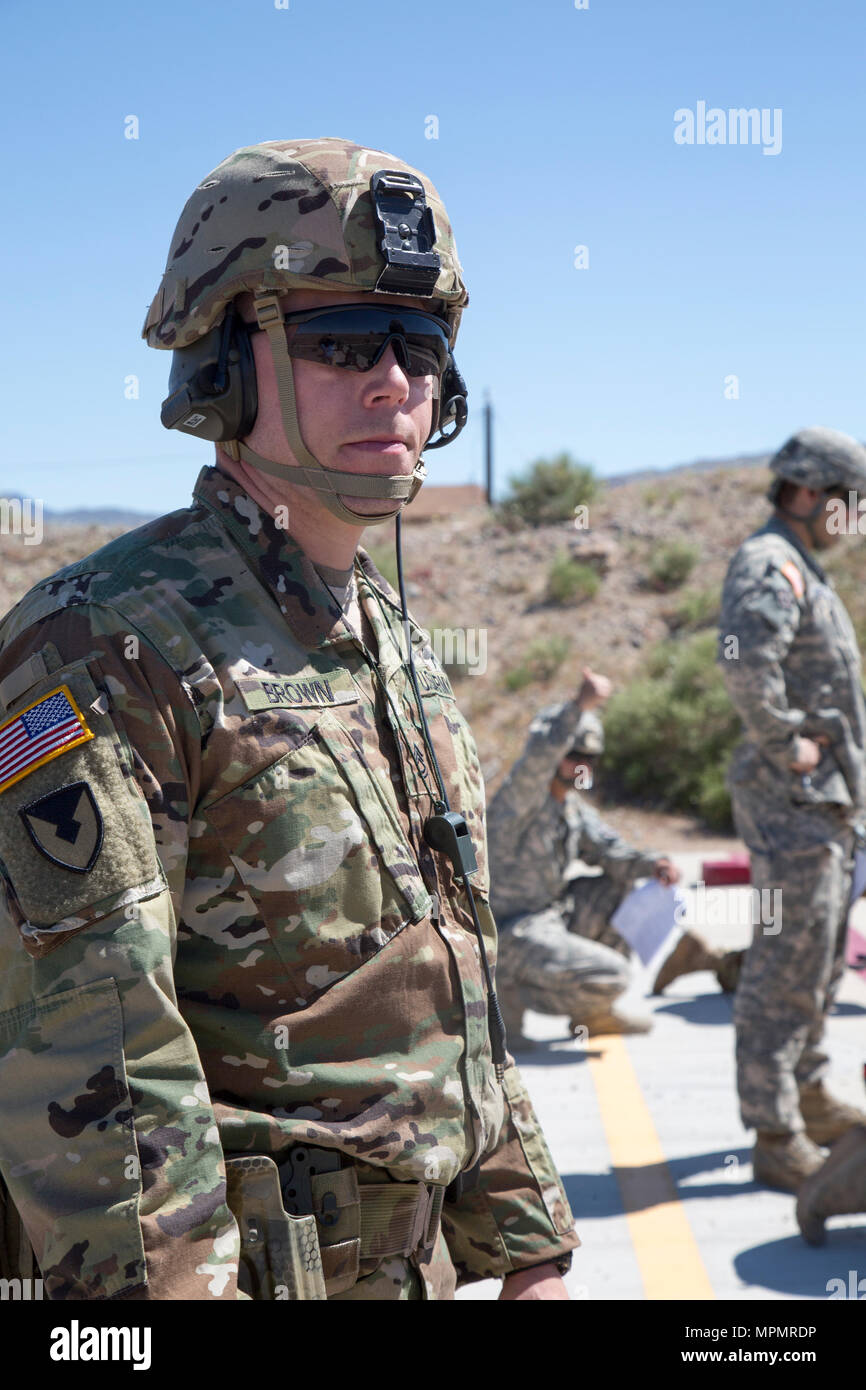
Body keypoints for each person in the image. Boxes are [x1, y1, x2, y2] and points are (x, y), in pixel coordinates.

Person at [0, 138, 579, 1301]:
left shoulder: (389, 641)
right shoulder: (101, 641)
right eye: (342, 340)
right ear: (223, 367)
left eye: (421, 346)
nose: (395, 382)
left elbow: (454, 981)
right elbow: (97, 1058)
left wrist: (526, 1250)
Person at [718, 426, 866, 1194]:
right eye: (850, 504)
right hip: (793, 803)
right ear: (808, 491)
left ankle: (807, 1095)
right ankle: (775, 1134)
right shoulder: (770, 562)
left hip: (824, 806)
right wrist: (787, 744)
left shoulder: (803, 566)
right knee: (783, 967)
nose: (856, 520)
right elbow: (746, 662)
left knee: (817, 961)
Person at [487, 669, 681, 1044]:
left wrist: (655, 864)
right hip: (511, 932)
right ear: (557, 755)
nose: (583, 767)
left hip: (550, 918)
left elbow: (611, 850)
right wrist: (578, 706)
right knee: (614, 974)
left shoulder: (571, 808)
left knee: (620, 887)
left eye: (590, 759)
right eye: (575, 756)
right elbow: (536, 758)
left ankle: (591, 1016)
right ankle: (506, 994)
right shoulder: (520, 801)